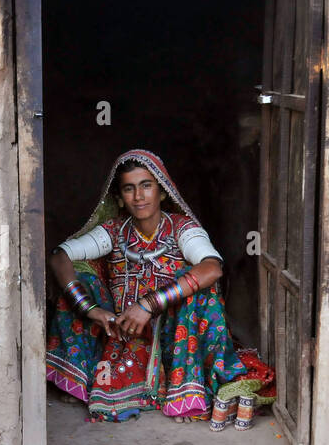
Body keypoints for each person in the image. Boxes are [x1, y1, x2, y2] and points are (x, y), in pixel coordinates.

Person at [46, 148, 248, 422]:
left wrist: (149, 304)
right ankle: (81, 378)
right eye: (129, 189)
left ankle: (184, 389)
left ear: (162, 192)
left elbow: (212, 268)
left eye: (146, 186)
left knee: (202, 291)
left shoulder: (181, 229)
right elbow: (60, 256)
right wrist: (92, 309)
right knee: (80, 279)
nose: (139, 196)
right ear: (119, 198)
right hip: (119, 329)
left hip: (173, 334)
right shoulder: (114, 231)